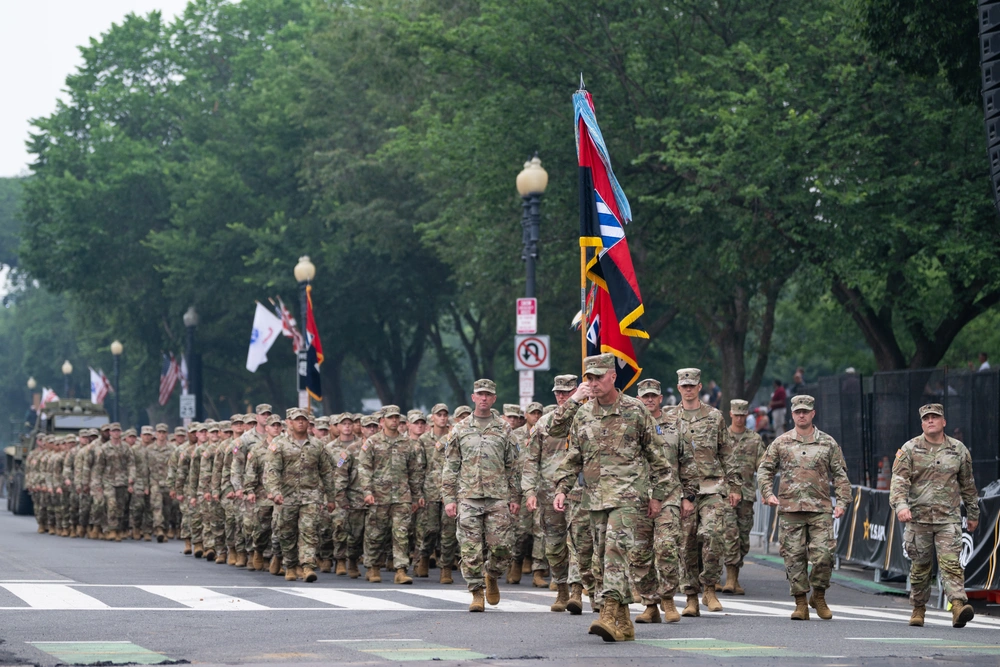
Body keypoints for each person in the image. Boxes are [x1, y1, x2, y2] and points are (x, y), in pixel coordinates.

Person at [552, 354, 673, 643]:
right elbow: (574, 457)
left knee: (615, 555)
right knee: (600, 563)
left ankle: (607, 614)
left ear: (613, 377)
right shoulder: (583, 414)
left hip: (629, 498)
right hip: (595, 499)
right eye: (588, 378)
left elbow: (657, 458)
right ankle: (624, 621)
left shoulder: (635, 410)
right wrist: (561, 488)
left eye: (598, 377)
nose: (592, 383)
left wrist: (658, 497)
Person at [757, 394, 851, 621]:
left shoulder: (828, 443)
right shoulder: (781, 442)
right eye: (797, 411)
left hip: (820, 509)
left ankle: (818, 595)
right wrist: (767, 493)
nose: (801, 414)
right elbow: (764, 469)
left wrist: (843, 502)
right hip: (790, 510)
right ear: (792, 414)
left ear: (812, 413)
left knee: (824, 556)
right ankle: (800, 602)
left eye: (805, 411)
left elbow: (840, 475)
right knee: (793, 557)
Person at [889, 403, 979, 628]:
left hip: (948, 519)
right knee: (920, 568)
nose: (931, 421)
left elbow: (968, 484)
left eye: (935, 417)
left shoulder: (959, 450)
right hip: (918, 519)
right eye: (927, 418)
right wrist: (901, 506)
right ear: (922, 423)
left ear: (944, 422)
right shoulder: (909, 449)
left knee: (951, 565)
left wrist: (973, 512)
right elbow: (898, 481)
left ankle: (958, 606)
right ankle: (918, 608)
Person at [665, 368, 740, 617]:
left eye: (692, 385)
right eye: (684, 385)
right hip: (682, 490)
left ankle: (709, 588)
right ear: (678, 388)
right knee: (686, 544)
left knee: (713, 536)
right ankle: (690, 598)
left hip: (711, 487)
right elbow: (666, 458)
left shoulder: (714, 417)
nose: (688, 389)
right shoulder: (670, 418)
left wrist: (735, 485)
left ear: (699, 387)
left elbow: (726, 452)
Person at [443, 379, 521, 612]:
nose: (484, 398)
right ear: (473, 397)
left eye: (488, 394)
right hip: (468, 497)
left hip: (498, 497)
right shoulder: (460, 429)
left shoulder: (504, 429)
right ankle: (476, 592)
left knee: (502, 548)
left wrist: (515, 497)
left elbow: (514, 466)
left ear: (494, 399)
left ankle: (493, 575)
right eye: (480, 394)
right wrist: (449, 498)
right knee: (469, 548)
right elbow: (451, 465)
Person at [635, 378, 696, 624]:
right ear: (639, 399)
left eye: (653, 396)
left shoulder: (676, 425)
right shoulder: (631, 425)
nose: (649, 400)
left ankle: (668, 599)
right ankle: (650, 603)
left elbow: (689, 463)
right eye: (645, 396)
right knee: (639, 553)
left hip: (669, 495)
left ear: (661, 399)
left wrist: (689, 496)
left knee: (666, 548)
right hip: (638, 497)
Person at [522, 381, 577, 612]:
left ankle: (578, 591)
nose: (562, 396)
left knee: (580, 543)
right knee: (554, 545)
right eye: (558, 392)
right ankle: (562, 588)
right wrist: (529, 490)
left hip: (580, 491)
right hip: (548, 491)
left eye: (567, 392)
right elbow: (531, 459)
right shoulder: (544, 422)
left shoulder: (586, 418)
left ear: (576, 392)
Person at [265, 408, 336, 582]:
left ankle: (307, 567)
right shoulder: (279, 444)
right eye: (297, 420)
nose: (301, 422)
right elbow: (272, 471)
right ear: (289, 422)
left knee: (309, 532)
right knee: (287, 533)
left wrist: (331, 497)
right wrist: (274, 492)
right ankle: (290, 565)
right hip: (286, 497)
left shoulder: (317, 445)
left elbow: (327, 472)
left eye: (303, 419)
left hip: (311, 496)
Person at [359, 405, 424, 585]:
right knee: (376, 533)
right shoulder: (372, 443)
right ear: (382, 421)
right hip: (378, 496)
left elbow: (414, 471)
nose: (394, 420)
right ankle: (373, 566)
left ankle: (401, 570)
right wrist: (367, 491)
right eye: (390, 418)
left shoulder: (407, 444)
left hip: (402, 496)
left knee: (401, 533)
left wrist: (416, 495)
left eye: (397, 417)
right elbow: (364, 469)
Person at [720, 399, 766, 595]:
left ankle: (735, 577)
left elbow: (764, 468)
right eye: (736, 414)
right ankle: (729, 578)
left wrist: (766, 491)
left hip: (746, 496)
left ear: (747, 415)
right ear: (730, 414)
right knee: (730, 535)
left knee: (743, 539)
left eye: (742, 415)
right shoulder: (722, 437)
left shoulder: (754, 440)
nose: (739, 418)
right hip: (724, 495)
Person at [419, 404, 457, 584]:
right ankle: (424, 557)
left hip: (451, 491)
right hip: (431, 491)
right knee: (430, 529)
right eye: (439, 415)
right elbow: (419, 468)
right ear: (432, 417)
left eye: (445, 415)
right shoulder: (424, 440)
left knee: (449, 532)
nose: (442, 418)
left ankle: (446, 569)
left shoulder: (455, 437)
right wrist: (418, 492)